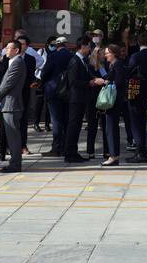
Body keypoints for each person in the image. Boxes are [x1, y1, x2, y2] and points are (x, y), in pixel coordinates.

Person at [93, 43, 129, 166]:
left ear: (114, 53)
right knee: (110, 127)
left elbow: (118, 82)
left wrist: (103, 81)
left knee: (111, 128)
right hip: (113, 100)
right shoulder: (113, 64)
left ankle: (113, 155)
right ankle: (114, 155)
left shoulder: (117, 65)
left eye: (108, 53)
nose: (106, 55)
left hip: (114, 100)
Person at [61, 36, 94, 164]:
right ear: (83, 47)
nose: (90, 49)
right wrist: (89, 83)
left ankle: (73, 152)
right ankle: (69, 153)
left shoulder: (82, 60)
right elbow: (73, 81)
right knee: (73, 125)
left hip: (80, 98)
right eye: (89, 47)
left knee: (77, 125)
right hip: (75, 98)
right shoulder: (75, 60)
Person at [0, 39, 26, 173]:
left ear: (16, 50)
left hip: (11, 104)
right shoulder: (13, 62)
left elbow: (8, 83)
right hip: (9, 103)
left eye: (8, 48)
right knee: (12, 135)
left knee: (13, 136)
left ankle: (15, 164)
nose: (6, 50)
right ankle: (14, 162)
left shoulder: (17, 63)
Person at [126, 38, 147, 163]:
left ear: (138, 43)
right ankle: (142, 151)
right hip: (146, 92)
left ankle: (140, 152)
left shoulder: (135, 56)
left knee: (135, 123)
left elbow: (129, 72)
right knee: (142, 121)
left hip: (135, 91)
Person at [39, 37, 72, 157]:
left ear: (57, 45)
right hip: (67, 91)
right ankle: (66, 146)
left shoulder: (53, 55)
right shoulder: (71, 56)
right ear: (66, 44)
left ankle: (57, 147)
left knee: (56, 120)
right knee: (66, 119)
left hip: (53, 90)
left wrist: (41, 83)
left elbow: (45, 71)